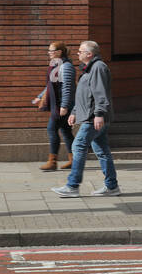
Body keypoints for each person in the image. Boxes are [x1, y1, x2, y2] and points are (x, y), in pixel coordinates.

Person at [53, 40, 120, 198]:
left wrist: (99, 114)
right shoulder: (89, 68)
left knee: (78, 146)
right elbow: (83, 94)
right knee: (102, 151)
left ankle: (72, 186)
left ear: (89, 54)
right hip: (91, 116)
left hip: (93, 117)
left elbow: (100, 93)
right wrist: (75, 111)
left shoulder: (98, 67)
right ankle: (112, 186)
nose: (78, 53)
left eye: (80, 51)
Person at [32, 40, 76, 172]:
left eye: (51, 51)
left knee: (52, 129)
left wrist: (64, 106)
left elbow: (67, 87)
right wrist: (40, 96)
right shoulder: (55, 65)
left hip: (61, 105)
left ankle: (52, 162)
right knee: (66, 132)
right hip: (58, 104)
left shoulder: (66, 66)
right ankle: (74, 160)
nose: (49, 53)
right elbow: (50, 85)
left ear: (59, 52)